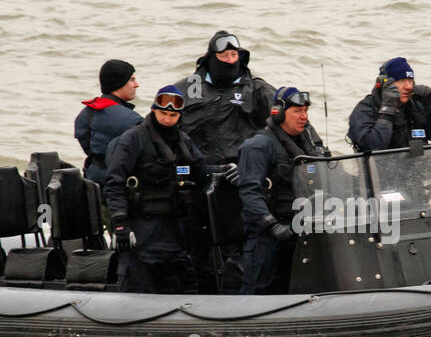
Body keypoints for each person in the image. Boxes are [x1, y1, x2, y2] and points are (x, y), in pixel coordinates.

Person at [103, 86, 235, 294]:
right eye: (163, 113)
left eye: (172, 115)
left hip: (176, 232)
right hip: (143, 231)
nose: (167, 119)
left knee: (179, 284)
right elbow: (114, 183)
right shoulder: (133, 139)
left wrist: (226, 170)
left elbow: (201, 172)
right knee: (139, 286)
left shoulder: (184, 142)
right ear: (154, 110)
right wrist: (120, 224)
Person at [177, 31, 278, 287]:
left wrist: (255, 168)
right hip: (197, 178)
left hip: (240, 178)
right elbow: (163, 131)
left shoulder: (257, 88)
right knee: (195, 246)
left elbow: (284, 125)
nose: (230, 60)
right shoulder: (185, 89)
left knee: (240, 245)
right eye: (224, 55)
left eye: (234, 55)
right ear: (211, 58)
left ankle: (242, 289)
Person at [237, 87, 329, 295]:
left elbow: (330, 178)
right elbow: (250, 192)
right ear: (278, 112)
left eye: (305, 111)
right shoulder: (258, 146)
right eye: (297, 111)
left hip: (304, 231)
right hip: (269, 236)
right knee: (259, 292)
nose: (303, 116)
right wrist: (273, 227)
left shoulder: (309, 146)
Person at [346, 57, 431, 152]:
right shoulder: (365, 109)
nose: (408, 86)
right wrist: (388, 109)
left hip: (420, 175)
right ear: (384, 84)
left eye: (410, 81)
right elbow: (372, 147)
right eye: (401, 81)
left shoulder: (416, 105)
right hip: (381, 176)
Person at [74, 60, 142, 186]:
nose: (136, 84)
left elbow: (86, 144)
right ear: (119, 82)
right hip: (118, 184)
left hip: (91, 179)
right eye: (131, 80)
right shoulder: (132, 120)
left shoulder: (84, 114)